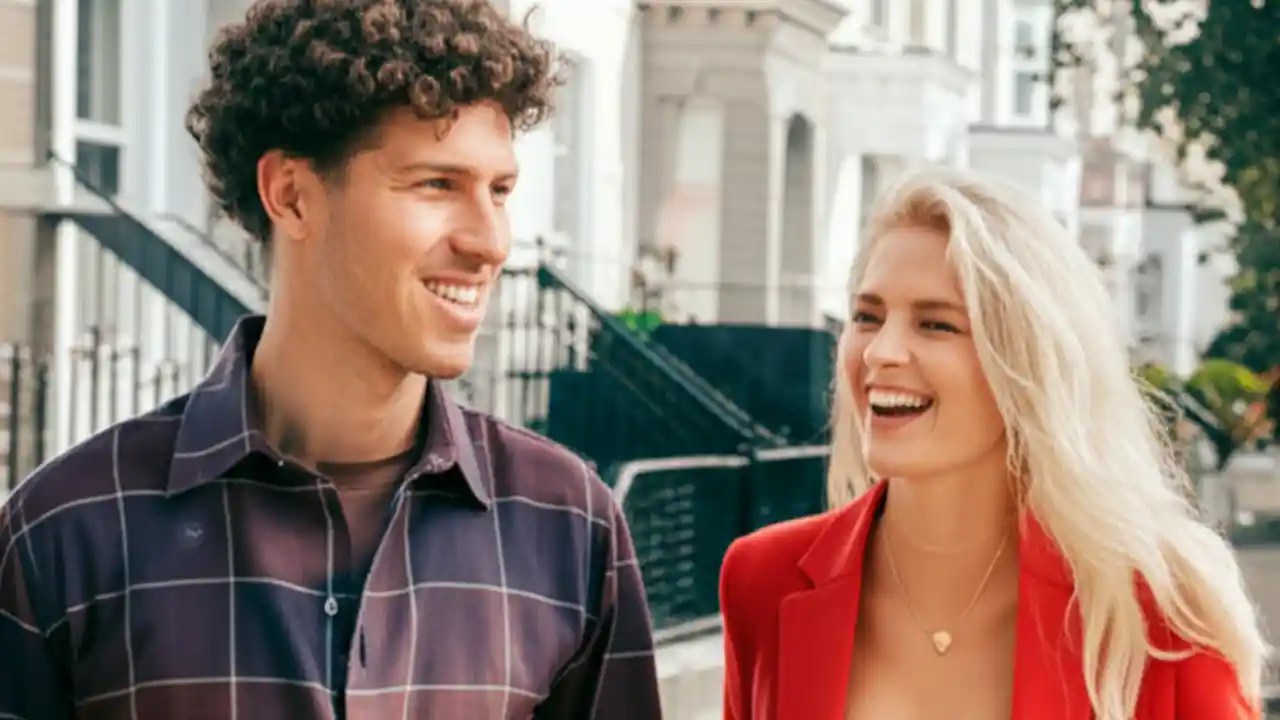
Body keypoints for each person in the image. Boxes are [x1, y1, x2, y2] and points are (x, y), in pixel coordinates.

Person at [0, 1, 662, 718]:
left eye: (499, 191)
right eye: (437, 184)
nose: (491, 241)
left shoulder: (568, 525)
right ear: (291, 195)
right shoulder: (67, 533)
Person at [719, 168, 1267, 720]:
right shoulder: (763, 580)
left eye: (936, 325)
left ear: (1028, 362)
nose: (881, 350)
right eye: (868, 316)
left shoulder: (1161, 610)